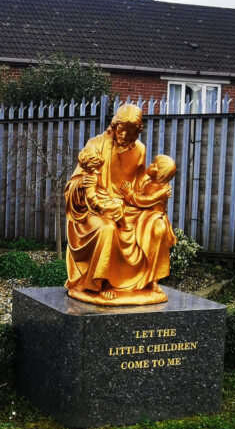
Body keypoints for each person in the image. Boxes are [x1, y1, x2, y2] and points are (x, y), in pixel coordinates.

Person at [63, 103, 172, 305]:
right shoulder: (95, 145)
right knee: (107, 228)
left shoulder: (139, 150)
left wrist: (159, 188)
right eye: (121, 133)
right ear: (113, 127)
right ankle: (99, 284)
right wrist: (83, 186)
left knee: (158, 224)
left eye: (131, 136)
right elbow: (72, 185)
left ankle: (149, 280)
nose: (124, 139)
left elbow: (140, 182)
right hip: (95, 209)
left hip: (128, 206)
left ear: (137, 134)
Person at [118, 154, 178, 291]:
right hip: (143, 214)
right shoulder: (148, 181)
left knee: (153, 244)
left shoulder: (162, 190)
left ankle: (152, 279)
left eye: (154, 164)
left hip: (152, 218)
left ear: (161, 174)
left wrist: (129, 194)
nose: (150, 165)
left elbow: (145, 201)